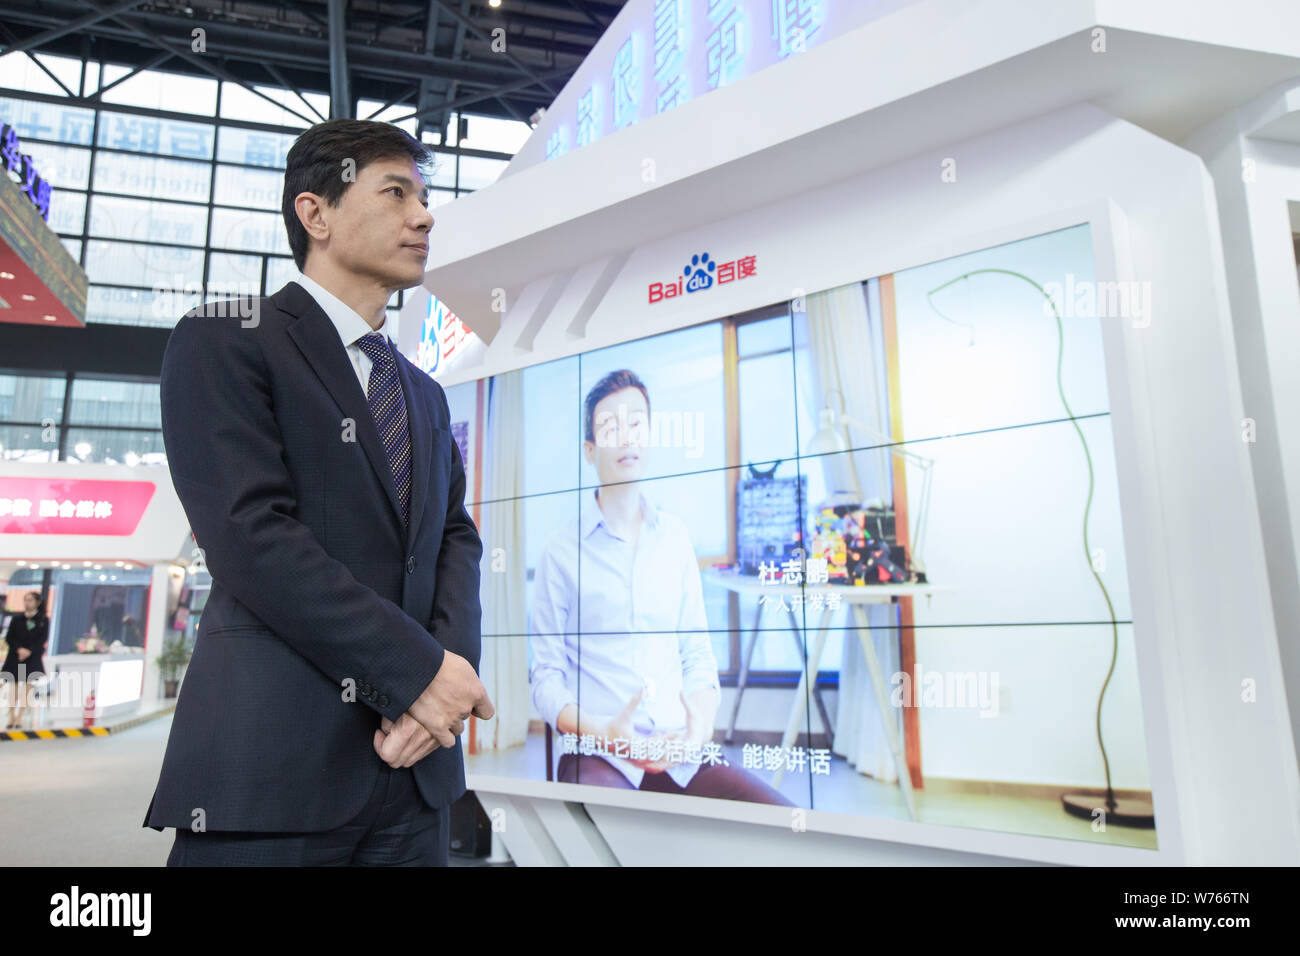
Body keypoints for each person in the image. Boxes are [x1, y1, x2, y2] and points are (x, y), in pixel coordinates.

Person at [143, 119, 494, 866]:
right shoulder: (228, 340)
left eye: (425, 197)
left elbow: (454, 539)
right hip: (275, 775)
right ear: (316, 213)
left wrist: (443, 690)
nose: (424, 215)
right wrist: (417, 675)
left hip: (415, 780)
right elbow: (249, 536)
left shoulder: (425, 395)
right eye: (396, 192)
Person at [530, 369, 795, 807]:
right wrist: (605, 734)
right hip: (600, 753)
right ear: (589, 450)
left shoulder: (675, 537)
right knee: (621, 841)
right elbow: (545, 680)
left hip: (680, 752)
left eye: (636, 423)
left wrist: (698, 732)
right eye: (610, 427)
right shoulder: (560, 552)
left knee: (783, 821)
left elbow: (697, 655)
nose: (626, 436)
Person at [2, 593, 47, 730]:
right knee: (13, 687)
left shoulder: (43, 620)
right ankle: (11, 716)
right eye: (25, 600)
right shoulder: (16, 619)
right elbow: (9, 637)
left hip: (32, 657)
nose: (27, 603)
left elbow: (42, 639)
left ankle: (20, 716)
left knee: (27, 688)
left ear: (37, 602)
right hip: (15, 656)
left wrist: (28, 651)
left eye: (30, 600)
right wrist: (19, 650)